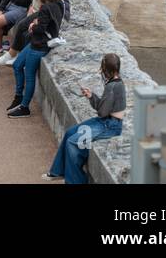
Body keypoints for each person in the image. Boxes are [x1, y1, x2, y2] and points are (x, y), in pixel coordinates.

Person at [44, 53, 126, 183]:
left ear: (106, 69)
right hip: (107, 121)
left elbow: (102, 112)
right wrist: (91, 96)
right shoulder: (116, 82)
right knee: (71, 132)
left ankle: (76, 181)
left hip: (110, 126)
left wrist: (93, 98)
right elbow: (104, 108)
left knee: (73, 141)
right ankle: (58, 171)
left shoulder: (112, 86)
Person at [8, 0, 65, 117]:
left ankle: (24, 106)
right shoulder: (59, 3)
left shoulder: (46, 7)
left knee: (29, 75)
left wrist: (34, 25)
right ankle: (18, 97)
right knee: (17, 65)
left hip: (39, 45)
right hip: (39, 43)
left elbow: (41, 28)